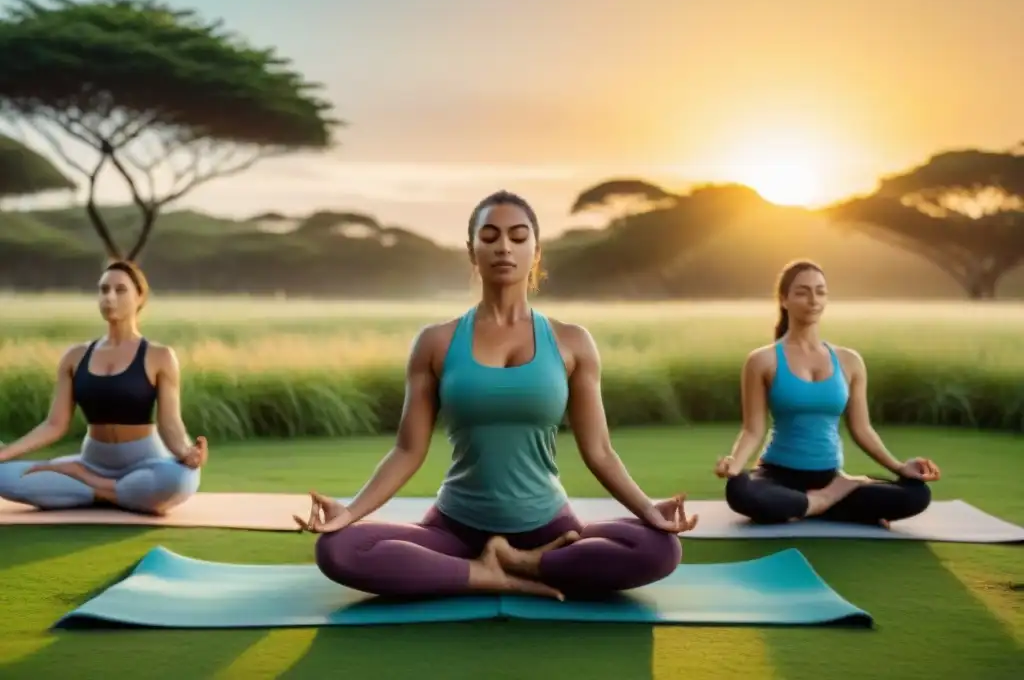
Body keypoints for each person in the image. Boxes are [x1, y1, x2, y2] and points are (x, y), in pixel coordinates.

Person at [294, 190, 696, 601]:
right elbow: (407, 451)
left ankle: (525, 563)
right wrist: (349, 512)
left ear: (536, 252)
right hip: (455, 528)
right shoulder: (436, 342)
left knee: (659, 549)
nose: (504, 246)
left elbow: (600, 452)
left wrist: (648, 509)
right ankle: (485, 572)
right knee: (339, 549)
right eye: (490, 236)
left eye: (518, 237)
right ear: (472, 251)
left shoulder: (572, 342)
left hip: (548, 528)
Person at [715, 259, 940, 527]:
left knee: (917, 495)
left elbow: (863, 429)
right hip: (777, 476)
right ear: (784, 300)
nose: (813, 300)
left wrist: (900, 468)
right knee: (739, 491)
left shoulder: (849, 360)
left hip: (830, 476)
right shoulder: (762, 360)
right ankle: (826, 503)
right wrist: (735, 464)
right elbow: (753, 430)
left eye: (820, 291)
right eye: (802, 292)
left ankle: (810, 504)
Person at [0, 260, 207, 516]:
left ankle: (88, 486)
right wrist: (5, 453)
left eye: (120, 290)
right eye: (103, 289)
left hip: (144, 465)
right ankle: (119, 493)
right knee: (3, 476)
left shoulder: (160, 356)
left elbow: (170, 424)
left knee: (179, 479)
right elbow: (55, 424)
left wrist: (187, 453)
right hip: (92, 462)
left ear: (140, 297)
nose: (109, 297)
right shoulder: (75, 356)